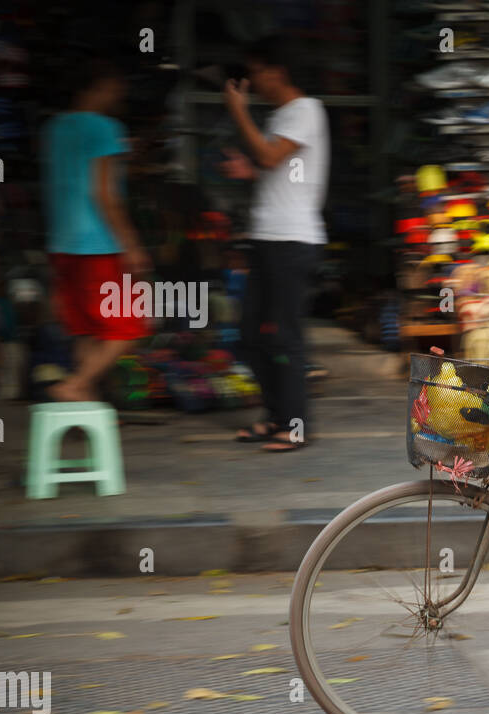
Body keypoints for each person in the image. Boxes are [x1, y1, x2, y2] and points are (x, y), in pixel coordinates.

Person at [221, 35, 329, 452]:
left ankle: (296, 426)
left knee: (285, 336)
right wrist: (246, 171)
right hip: (267, 238)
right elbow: (275, 170)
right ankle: (275, 417)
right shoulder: (281, 117)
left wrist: (238, 112)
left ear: (276, 71)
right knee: (251, 334)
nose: (250, 81)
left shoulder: (305, 110)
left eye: (255, 71)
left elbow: (270, 158)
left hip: (293, 238)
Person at [43, 57, 150, 402]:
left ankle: (82, 407)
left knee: (88, 329)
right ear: (99, 86)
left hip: (63, 244)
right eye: (116, 86)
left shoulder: (54, 129)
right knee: (130, 326)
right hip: (98, 245)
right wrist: (131, 244)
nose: (120, 93)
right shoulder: (105, 129)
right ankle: (75, 386)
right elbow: (104, 194)